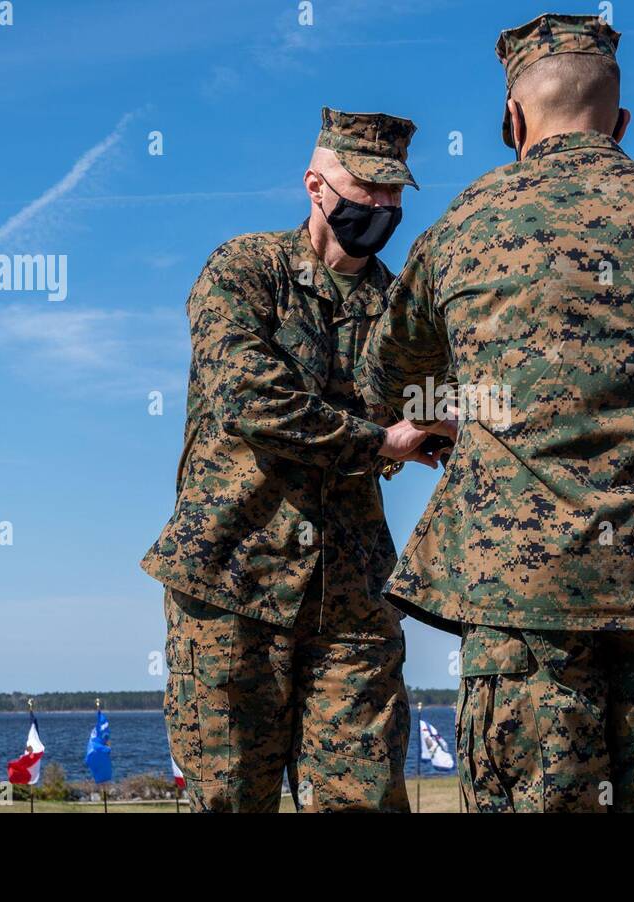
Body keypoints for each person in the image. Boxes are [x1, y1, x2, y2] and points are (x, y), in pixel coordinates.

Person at [361, 14, 634, 812]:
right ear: (620, 122)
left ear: (512, 121)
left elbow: (388, 379)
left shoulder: (462, 223)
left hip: (517, 604)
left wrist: (461, 407)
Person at [141, 107, 439, 812]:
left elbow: (435, 401)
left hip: (352, 600)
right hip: (231, 586)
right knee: (230, 799)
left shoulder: (402, 310)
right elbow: (251, 401)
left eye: (395, 194)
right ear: (316, 186)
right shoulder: (244, 271)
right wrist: (379, 442)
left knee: (363, 799)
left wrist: (445, 422)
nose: (383, 207)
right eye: (368, 189)